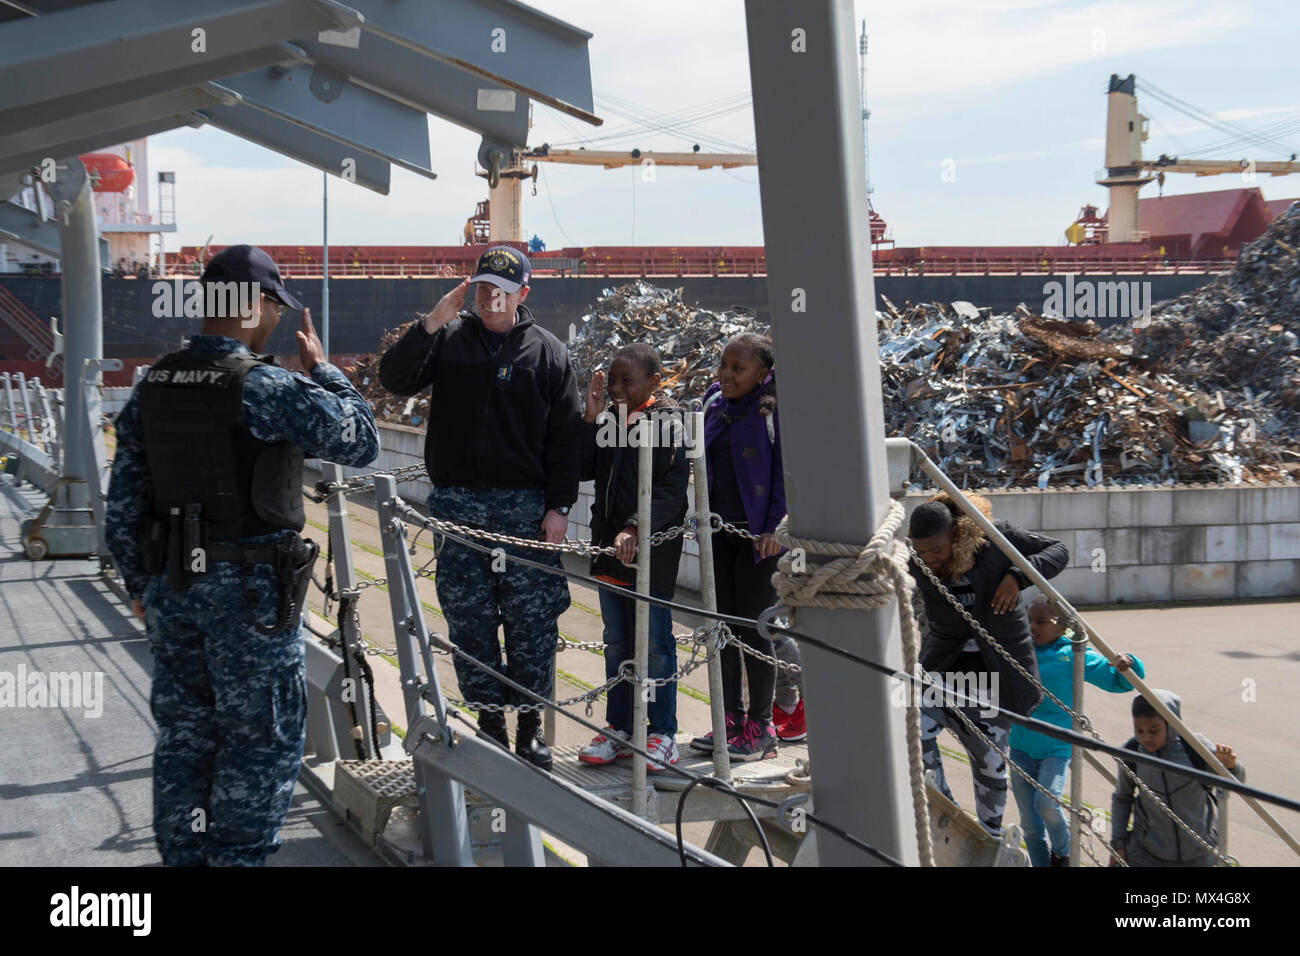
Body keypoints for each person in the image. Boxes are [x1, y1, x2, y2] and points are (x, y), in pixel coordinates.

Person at [105, 244, 379, 866]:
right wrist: (327, 373)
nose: (278, 318)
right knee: (260, 741)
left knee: (185, 737)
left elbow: (123, 506)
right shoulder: (263, 385)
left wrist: (140, 589)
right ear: (252, 303)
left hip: (174, 590)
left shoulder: (154, 386)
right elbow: (360, 441)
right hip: (251, 600)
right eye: (274, 305)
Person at [378, 246, 581, 770]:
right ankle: (491, 722)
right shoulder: (447, 341)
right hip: (458, 505)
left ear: (522, 294)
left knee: (531, 623)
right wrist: (430, 323)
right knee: (470, 619)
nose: (490, 298)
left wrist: (558, 508)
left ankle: (531, 727)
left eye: (501, 290)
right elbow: (394, 380)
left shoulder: (549, 354)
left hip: (524, 509)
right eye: (483, 286)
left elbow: (565, 442)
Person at [907, 493, 1067, 837]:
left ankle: (989, 832)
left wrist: (1017, 576)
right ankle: (942, 805)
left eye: (936, 550)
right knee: (909, 728)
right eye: (921, 552)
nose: (930, 559)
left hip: (995, 672)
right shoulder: (917, 562)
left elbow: (1057, 550)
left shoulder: (992, 538)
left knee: (989, 763)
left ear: (956, 533)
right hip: (943, 666)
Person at [577, 344, 690, 771]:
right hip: (610, 553)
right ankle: (620, 728)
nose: (618, 389)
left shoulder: (669, 424)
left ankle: (662, 733)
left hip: (650, 557)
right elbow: (582, 468)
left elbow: (670, 491)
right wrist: (589, 416)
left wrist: (635, 527)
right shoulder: (608, 419)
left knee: (657, 646)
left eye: (629, 380)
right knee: (617, 644)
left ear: (654, 382)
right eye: (614, 380)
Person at [688, 333, 786, 761]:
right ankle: (729, 721)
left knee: (754, 630)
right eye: (723, 365)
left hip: (758, 539)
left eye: (737, 369)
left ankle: (761, 728)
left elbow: (786, 473)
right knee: (722, 627)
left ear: (762, 374)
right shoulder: (712, 404)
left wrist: (775, 529)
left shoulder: (774, 412)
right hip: (718, 532)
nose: (726, 375)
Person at [1009, 597, 1145, 866]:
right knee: (1030, 823)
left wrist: (1129, 663)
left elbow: (1117, 681)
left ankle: (1063, 852)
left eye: (1041, 622)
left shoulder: (1072, 653)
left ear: (1062, 628)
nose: (1032, 627)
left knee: (1046, 804)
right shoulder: (1019, 649)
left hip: (1056, 748)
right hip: (1020, 745)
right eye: (1029, 621)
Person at [1111, 689, 1243, 867]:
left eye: (1154, 730)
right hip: (1146, 854)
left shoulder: (1196, 747)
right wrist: (1118, 844)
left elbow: (1235, 783)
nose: (1146, 737)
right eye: (1139, 730)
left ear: (1171, 723)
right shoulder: (1131, 751)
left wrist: (1230, 767)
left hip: (1199, 854)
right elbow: (1122, 797)